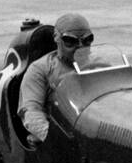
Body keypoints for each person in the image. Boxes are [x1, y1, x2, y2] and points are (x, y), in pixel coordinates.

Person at [18, 12, 94, 145]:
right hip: (62, 137)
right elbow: (31, 112)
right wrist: (57, 141)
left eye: (87, 40)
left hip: (93, 129)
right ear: (57, 39)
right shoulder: (40, 70)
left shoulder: (100, 64)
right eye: (71, 41)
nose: (81, 46)